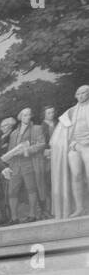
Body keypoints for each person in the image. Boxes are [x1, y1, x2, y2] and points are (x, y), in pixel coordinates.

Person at [1, 107, 48, 222]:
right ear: (20, 117)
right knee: (12, 191)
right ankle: (14, 218)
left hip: (29, 163)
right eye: (25, 115)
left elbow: (42, 144)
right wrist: (8, 164)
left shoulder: (37, 128)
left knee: (31, 189)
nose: (27, 117)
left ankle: (32, 215)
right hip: (15, 166)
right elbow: (11, 151)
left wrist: (26, 150)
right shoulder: (14, 133)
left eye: (29, 115)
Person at [55, 83, 89, 218]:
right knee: (76, 175)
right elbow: (61, 132)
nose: (81, 95)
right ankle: (80, 207)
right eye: (78, 93)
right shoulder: (71, 111)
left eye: (84, 93)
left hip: (88, 145)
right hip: (74, 145)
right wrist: (72, 143)